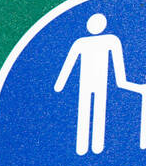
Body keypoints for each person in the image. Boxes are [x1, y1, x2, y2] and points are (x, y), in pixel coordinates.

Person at [52, 13, 126, 155]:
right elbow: (69, 63)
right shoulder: (81, 42)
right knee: (84, 110)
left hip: (101, 82)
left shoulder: (111, 40)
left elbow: (118, 63)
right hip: (85, 82)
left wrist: (120, 81)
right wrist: (60, 84)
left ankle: (97, 147)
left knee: (99, 110)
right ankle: (82, 148)